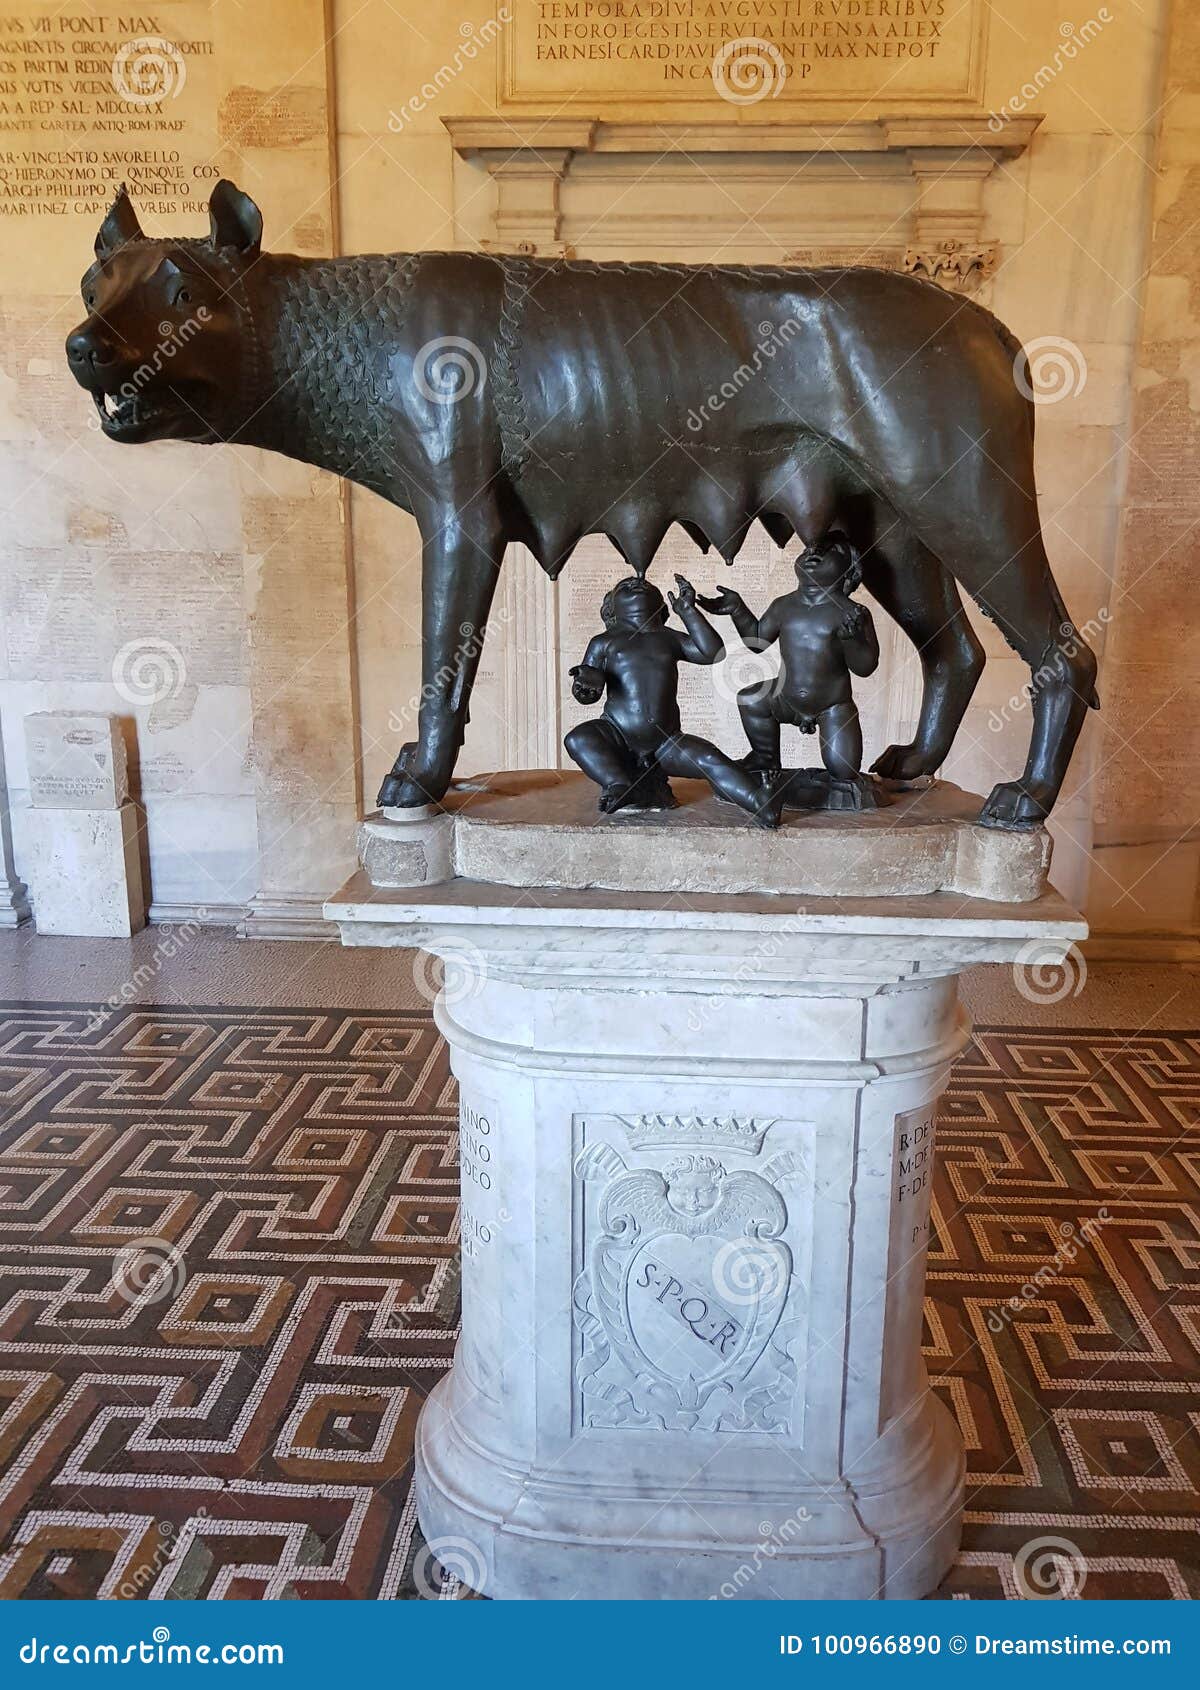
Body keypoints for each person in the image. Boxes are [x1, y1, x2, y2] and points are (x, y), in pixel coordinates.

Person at [565, 574, 781, 826]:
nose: (637, 583)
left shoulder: (668, 637)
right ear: (611, 608)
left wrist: (688, 612)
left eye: (645, 585)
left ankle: (760, 802)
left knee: (709, 758)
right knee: (578, 738)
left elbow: (711, 652)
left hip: (666, 741)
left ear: (660, 604)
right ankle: (619, 783)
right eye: (625, 587)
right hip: (617, 733)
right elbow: (589, 689)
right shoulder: (604, 642)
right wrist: (585, 686)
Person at [697, 533, 879, 786]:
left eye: (830, 551)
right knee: (751, 697)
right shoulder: (783, 605)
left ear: (849, 570)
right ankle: (766, 758)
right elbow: (758, 640)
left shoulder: (852, 612)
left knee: (844, 772)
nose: (813, 552)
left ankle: (835, 773)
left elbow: (865, 667)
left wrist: (852, 639)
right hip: (785, 698)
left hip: (833, 705)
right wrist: (737, 609)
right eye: (808, 549)